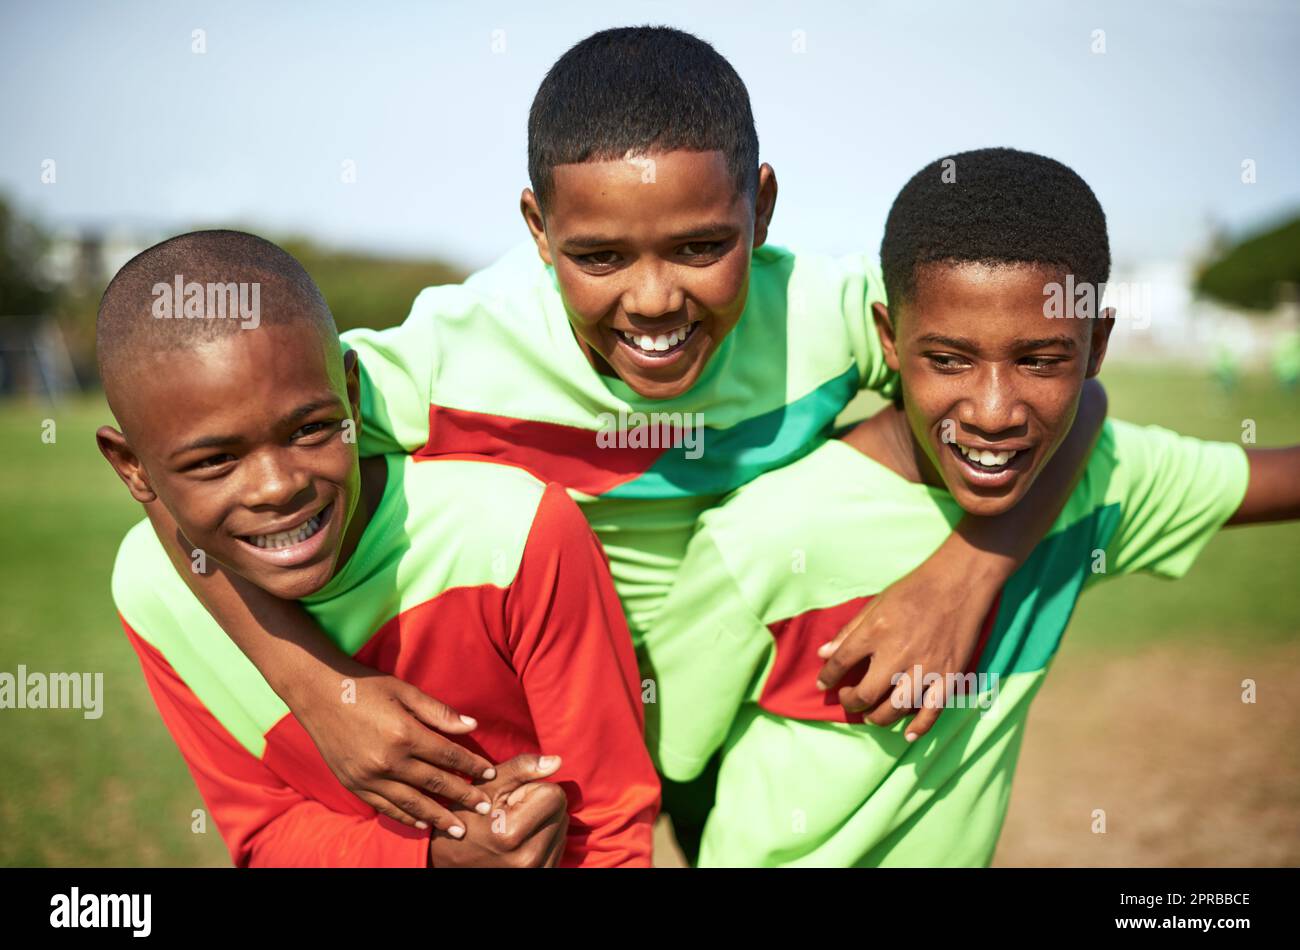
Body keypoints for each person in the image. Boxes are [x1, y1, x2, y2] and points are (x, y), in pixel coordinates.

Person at [143, 28, 1106, 857]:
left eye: (700, 247)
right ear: (538, 227)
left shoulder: (835, 313)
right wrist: (318, 687)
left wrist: (966, 572)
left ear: (760, 209)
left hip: (747, 697)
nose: (653, 302)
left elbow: (1067, 395)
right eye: (600, 257)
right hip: (564, 719)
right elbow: (202, 475)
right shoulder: (446, 356)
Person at [643, 147, 1300, 866]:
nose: (993, 412)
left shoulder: (1100, 481)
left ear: (1096, 345)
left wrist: (970, 571)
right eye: (949, 359)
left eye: (1041, 360)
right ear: (889, 338)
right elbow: (672, 769)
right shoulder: (763, 536)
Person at [97, 230, 659, 866]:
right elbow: (261, 836)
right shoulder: (152, 590)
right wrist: (429, 856)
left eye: (309, 429)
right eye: (216, 460)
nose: (279, 488)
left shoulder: (514, 531)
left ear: (353, 399)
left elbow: (609, 827)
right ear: (131, 468)